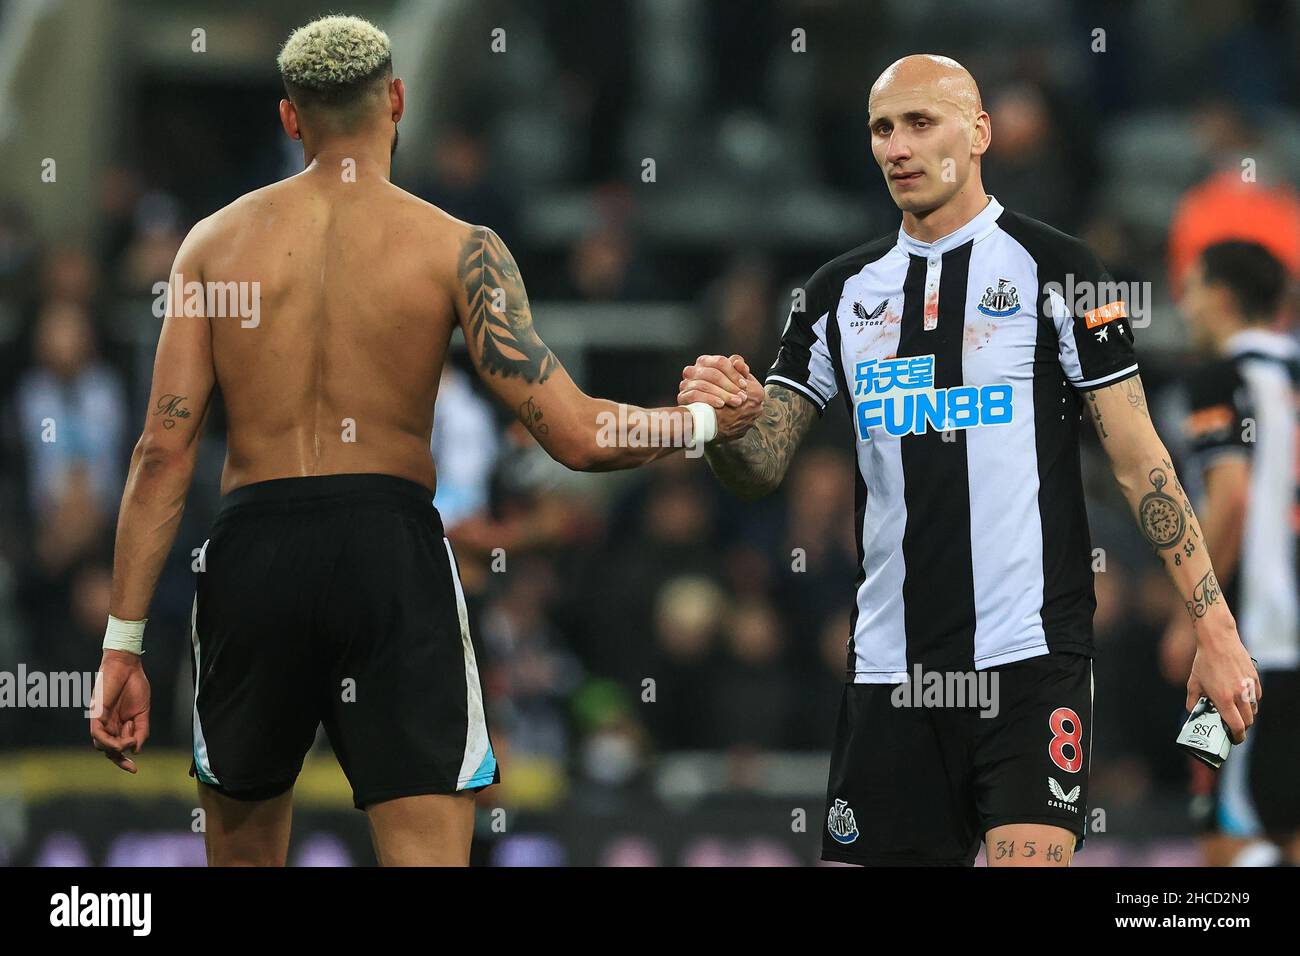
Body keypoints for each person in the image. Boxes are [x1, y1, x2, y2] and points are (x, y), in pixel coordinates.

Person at [89, 14, 759, 867]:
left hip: (251, 555)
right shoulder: (456, 249)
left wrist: (122, 643)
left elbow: (161, 452)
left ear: (291, 118)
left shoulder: (211, 249)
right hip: (389, 550)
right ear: (397, 102)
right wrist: (706, 421)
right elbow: (581, 435)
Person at [678, 54, 1260, 867]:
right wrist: (724, 426)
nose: (898, 147)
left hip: (1030, 664)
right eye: (883, 128)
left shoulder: (1062, 270)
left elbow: (1140, 460)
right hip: (890, 673)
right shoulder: (836, 292)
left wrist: (1215, 627)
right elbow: (761, 463)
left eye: (921, 122)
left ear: (980, 132)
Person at [1172, 240, 1299, 866]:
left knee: (1223, 833)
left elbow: (1233, 498)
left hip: (1253, 639)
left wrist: (1193, 617)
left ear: (1220, 298)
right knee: (1288, 826)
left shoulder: (1219, 377)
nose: (1183, 304)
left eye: (1191, 288)